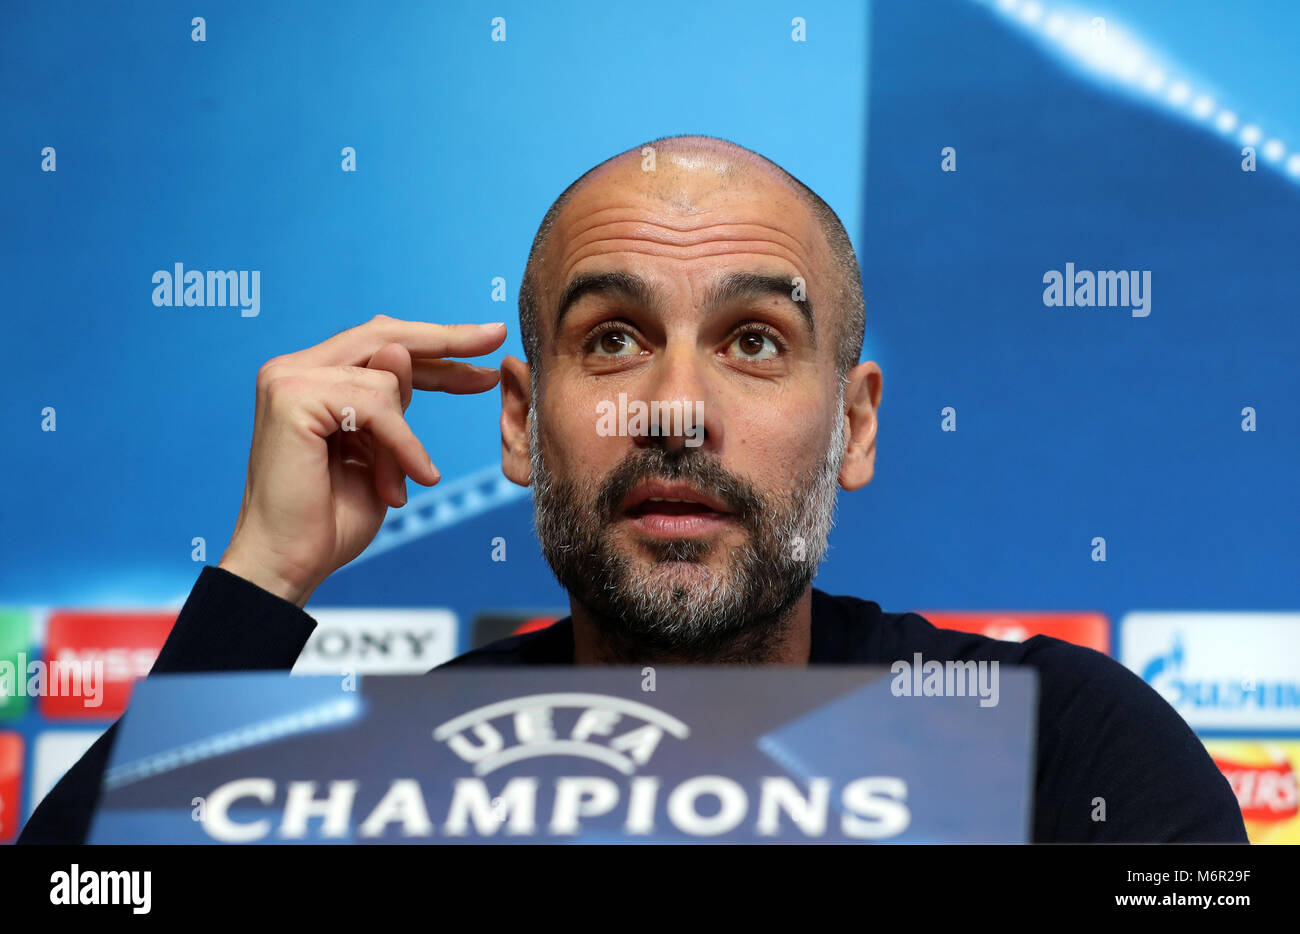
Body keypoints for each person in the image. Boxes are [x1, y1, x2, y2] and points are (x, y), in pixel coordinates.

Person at [18, 136, 1246, 844]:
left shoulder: (1054, 745)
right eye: (611, 339)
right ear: (520, 424)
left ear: (854, 426)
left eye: (755, 341)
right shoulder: (387, 773)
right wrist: (258, 582)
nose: (674, 408)